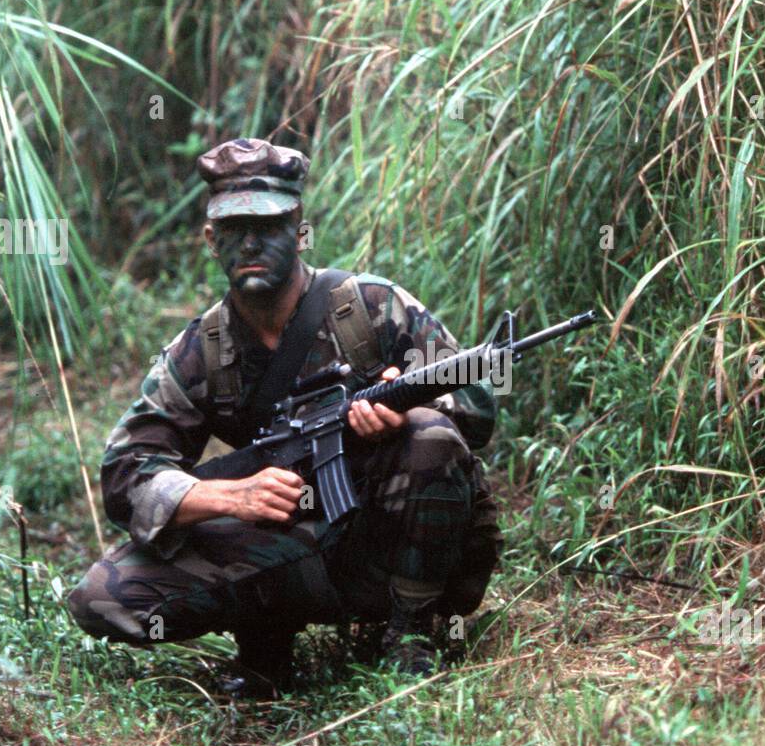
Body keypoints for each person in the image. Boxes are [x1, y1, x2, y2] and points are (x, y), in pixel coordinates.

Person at [67, 138, 501, 693]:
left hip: (396, 542)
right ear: (209, 239)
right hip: (290, 546)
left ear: (298, 231)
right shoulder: (202, 351)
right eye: (233, 228)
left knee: (429, 435)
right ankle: (265, 641)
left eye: (269, 227)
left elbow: (478, 406)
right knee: (100, 595)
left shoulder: (369, 308)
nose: (251, 242)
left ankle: (413, 633)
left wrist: (410, 405)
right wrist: (228, 497)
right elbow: (126, 472)